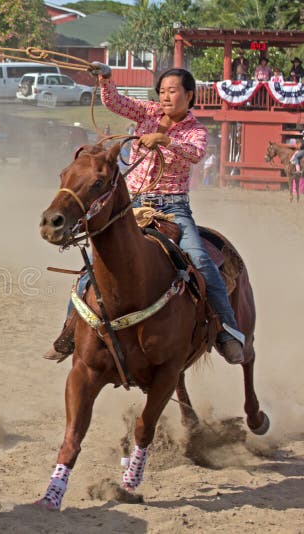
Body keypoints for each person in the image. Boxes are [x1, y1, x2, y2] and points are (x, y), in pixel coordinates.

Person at [46, 62, 245, 365]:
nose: (166, 96)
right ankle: (69, 332)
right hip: (133, 205)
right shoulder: (147, 112)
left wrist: (166, 139)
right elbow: (116, 102)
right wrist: (106, 79)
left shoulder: (195, 130)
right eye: (162, 91)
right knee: (95, 266)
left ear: (189, 95)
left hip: (173, 206)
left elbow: (195, 153)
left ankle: (227, 331)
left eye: (173, 91)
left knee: (200, 258)